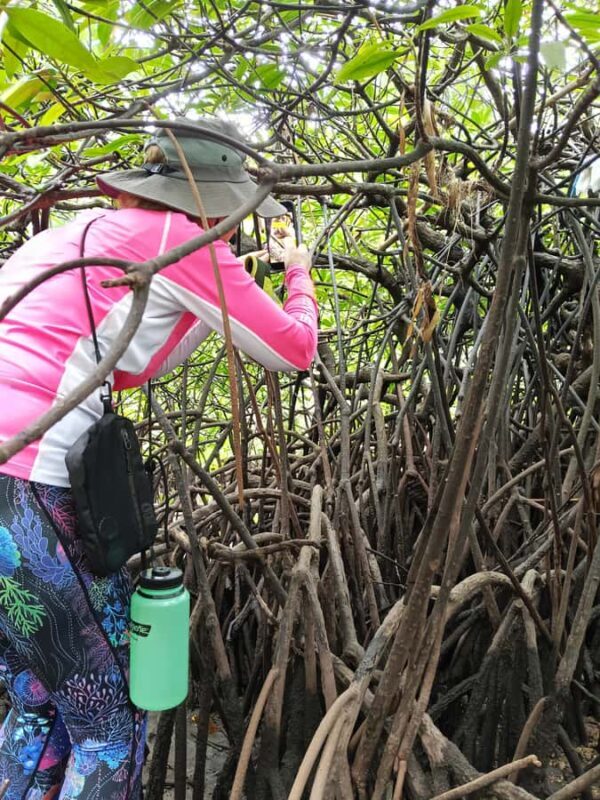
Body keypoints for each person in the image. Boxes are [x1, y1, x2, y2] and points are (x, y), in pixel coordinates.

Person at [0, 118, 318, 799]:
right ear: (219, 202)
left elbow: (126, 369)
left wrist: (216, 297)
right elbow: (295, 349)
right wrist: (298, 272)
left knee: (39, 702)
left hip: (9, 490)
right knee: (110, 726)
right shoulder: (182, 238)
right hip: (30, 495)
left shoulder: (75, 237)